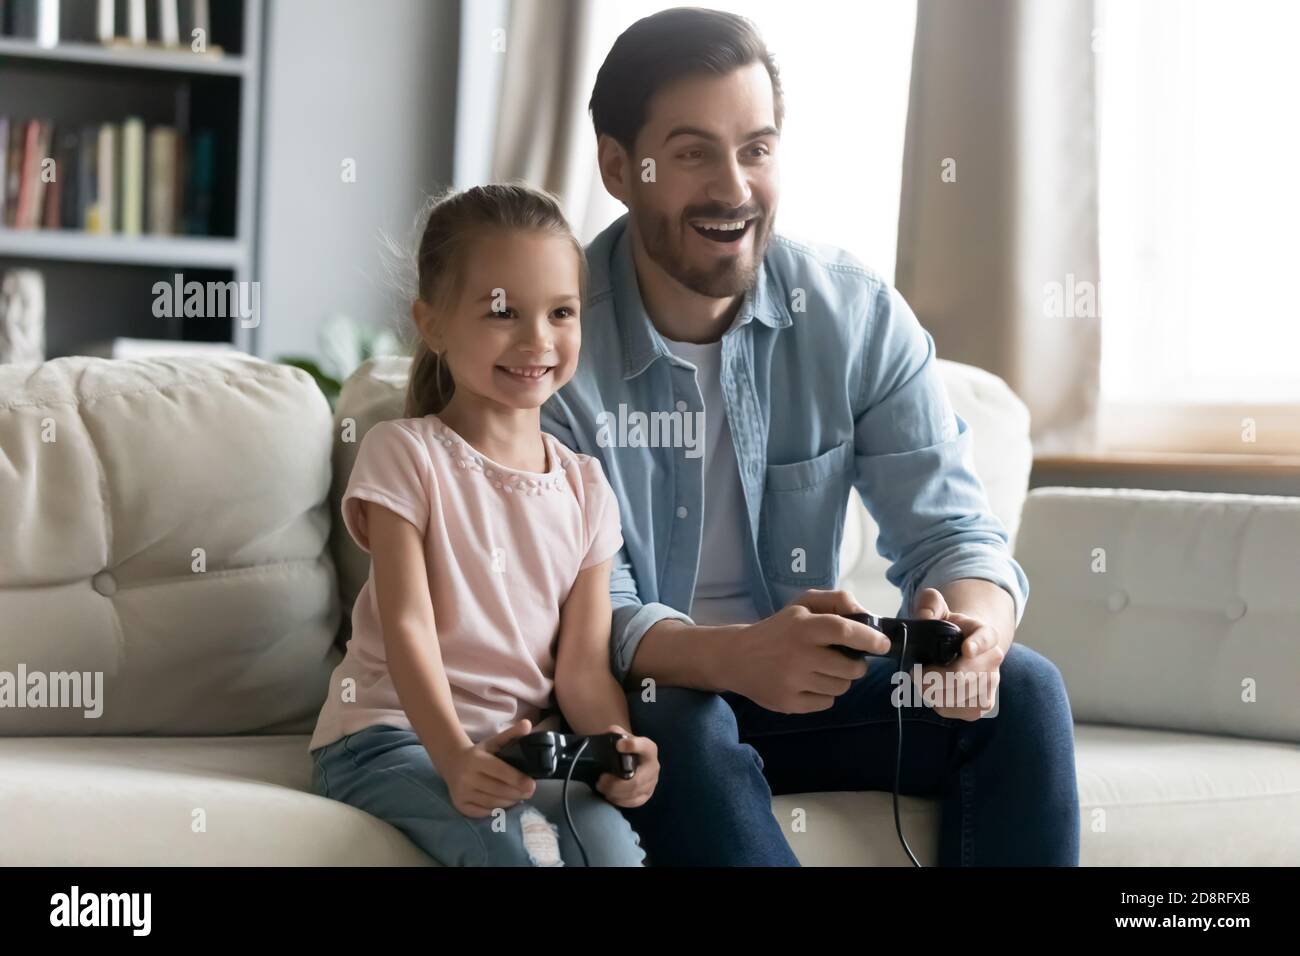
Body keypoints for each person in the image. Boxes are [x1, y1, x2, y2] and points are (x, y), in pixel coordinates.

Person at [541, 8, 1080, 866]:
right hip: (639, 699)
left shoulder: (852, 313)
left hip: (802, 686)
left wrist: (973, 631)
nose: (733, 187)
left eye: (756, 148)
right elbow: (583, 612)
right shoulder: (549, 340)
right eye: (692, 153)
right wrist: (736, 656)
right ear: (619, 166)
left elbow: (952, 531)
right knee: (682, 715)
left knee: (1024, 689)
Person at [309, 183, 657, 866]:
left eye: (562, 312)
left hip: (519, 749)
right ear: (432, 324)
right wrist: (456, 758)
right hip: (389, 739)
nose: (537, 338)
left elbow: (583, 672)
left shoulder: (586, 487)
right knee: (521, 852)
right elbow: (409, 627)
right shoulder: (405, 454)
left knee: (615, 855)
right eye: (503, 311)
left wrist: (620, 744)